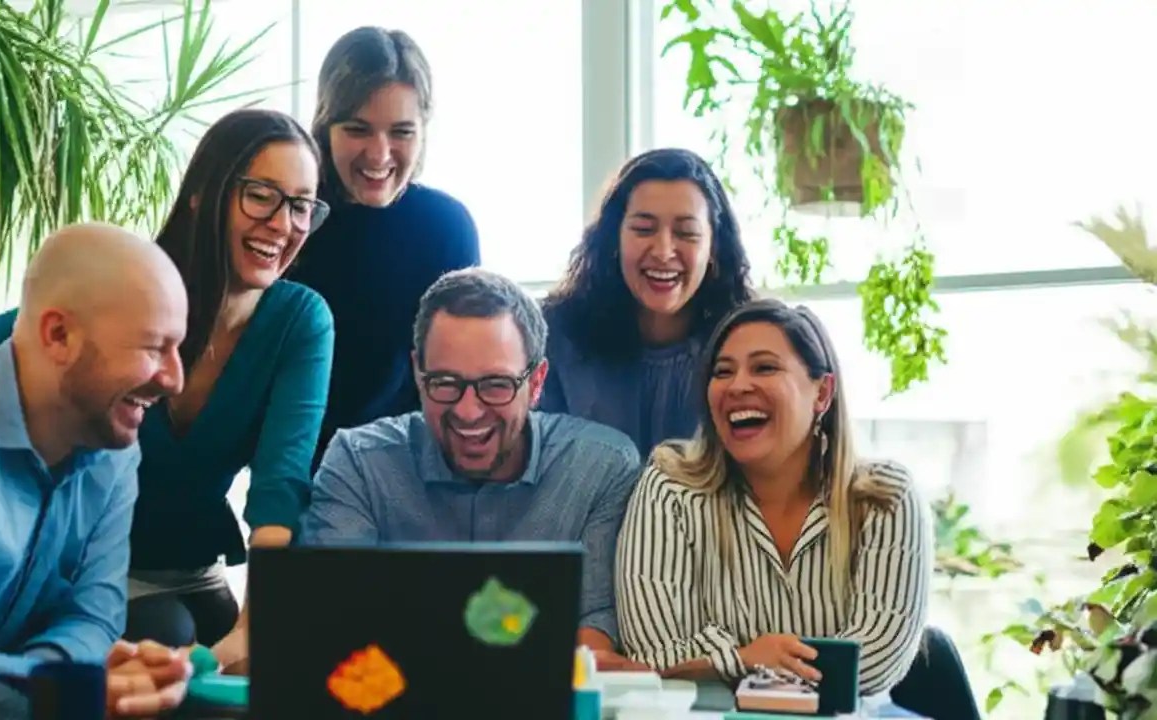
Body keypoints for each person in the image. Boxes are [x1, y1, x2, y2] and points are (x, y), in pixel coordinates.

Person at [0, 109, 336, 669]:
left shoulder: (300, 320)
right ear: (203, 194)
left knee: (285, 659)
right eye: (261, 195)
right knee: (167, 639)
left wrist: (252, 630)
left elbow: (281, 485)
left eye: (300, 205)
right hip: (96, 576)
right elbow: (14, 334)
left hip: (195, 571)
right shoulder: (139, 285)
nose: (283, 223)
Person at [0, 224, 193, 719]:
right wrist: (68, 693)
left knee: (166, 635)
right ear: (59, 335)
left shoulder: (114, 442)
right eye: (154, 347)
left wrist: (49, 676)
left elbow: (95, 614)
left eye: (178, 349)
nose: (175, 380)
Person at [302, 268, 646, 671]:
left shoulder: (601, 467)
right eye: (445, 382)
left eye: (496, 385)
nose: (468, 411)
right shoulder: (358, 462)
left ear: (536, 383)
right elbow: (338, 619)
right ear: (417, 372)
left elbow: (595, 626)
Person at [614, 299, 931, 696]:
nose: (737, 385)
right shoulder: (671, 486)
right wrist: (747, 657)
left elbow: (877, 660)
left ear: (822, 393)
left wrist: (729, 662)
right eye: (722, 372)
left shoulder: (885, 497)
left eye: (765, 367)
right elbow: (654, 653)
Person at [289, 26, 481, 470]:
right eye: (357, 129)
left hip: (417, 470)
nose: (379, 154)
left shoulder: (446, 226)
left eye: (401, 131)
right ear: (325, 125)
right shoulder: (292, 217)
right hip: (301, 474)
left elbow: (460, 371)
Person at [540, 148, 753, 455]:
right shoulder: (556, 336)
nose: (664, 251)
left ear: (714, 248)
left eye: (686, 233)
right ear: (614, 238)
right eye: (643, 229)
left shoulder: (747, 340)